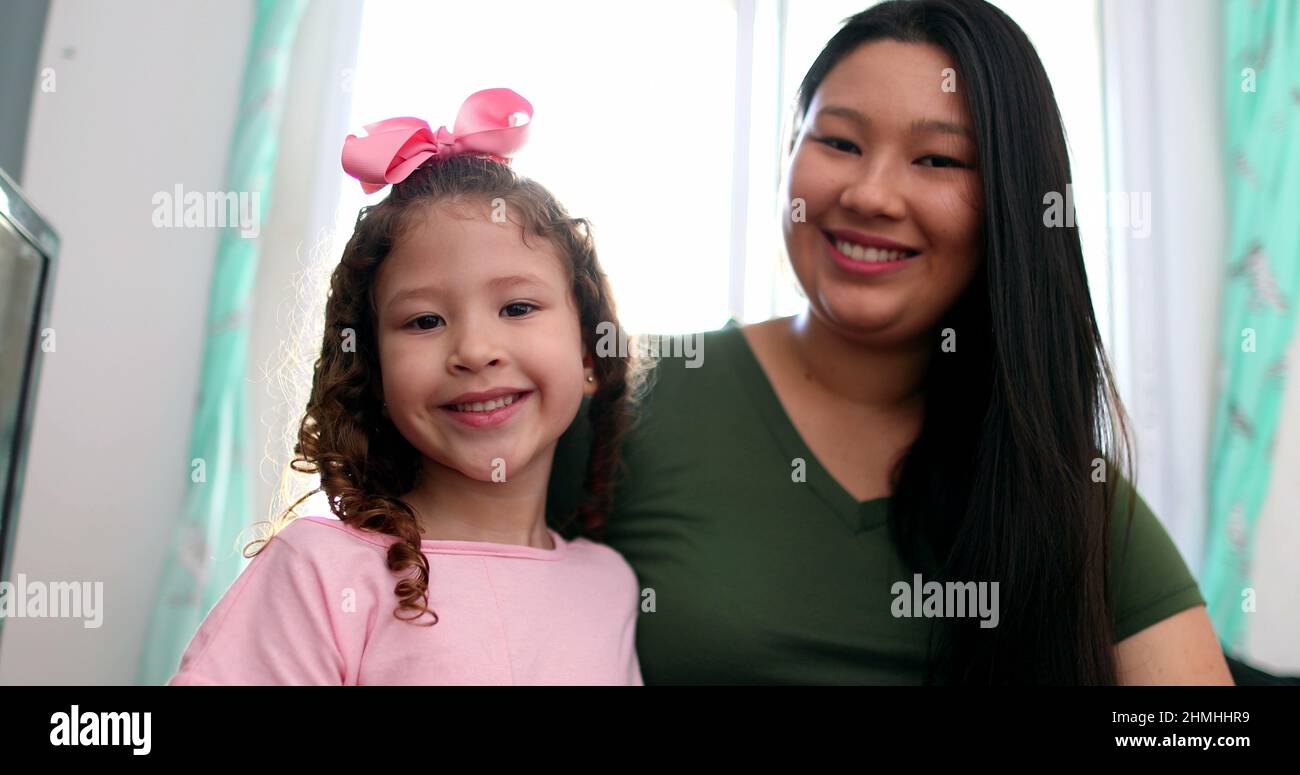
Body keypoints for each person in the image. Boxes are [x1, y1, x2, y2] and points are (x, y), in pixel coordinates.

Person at [547, 1, 1234, 685]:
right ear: (790, 150)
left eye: (938, 159)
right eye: (840, 143)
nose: (871, 194)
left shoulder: (1049, 475)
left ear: (1012, 204)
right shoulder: (621, 392)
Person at [170, 89, 644, 685]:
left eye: (518, 307)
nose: (474, 351)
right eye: (424, 321)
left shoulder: (609, 585)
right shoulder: (320, 571)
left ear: (587, 353)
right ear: (374, 369)